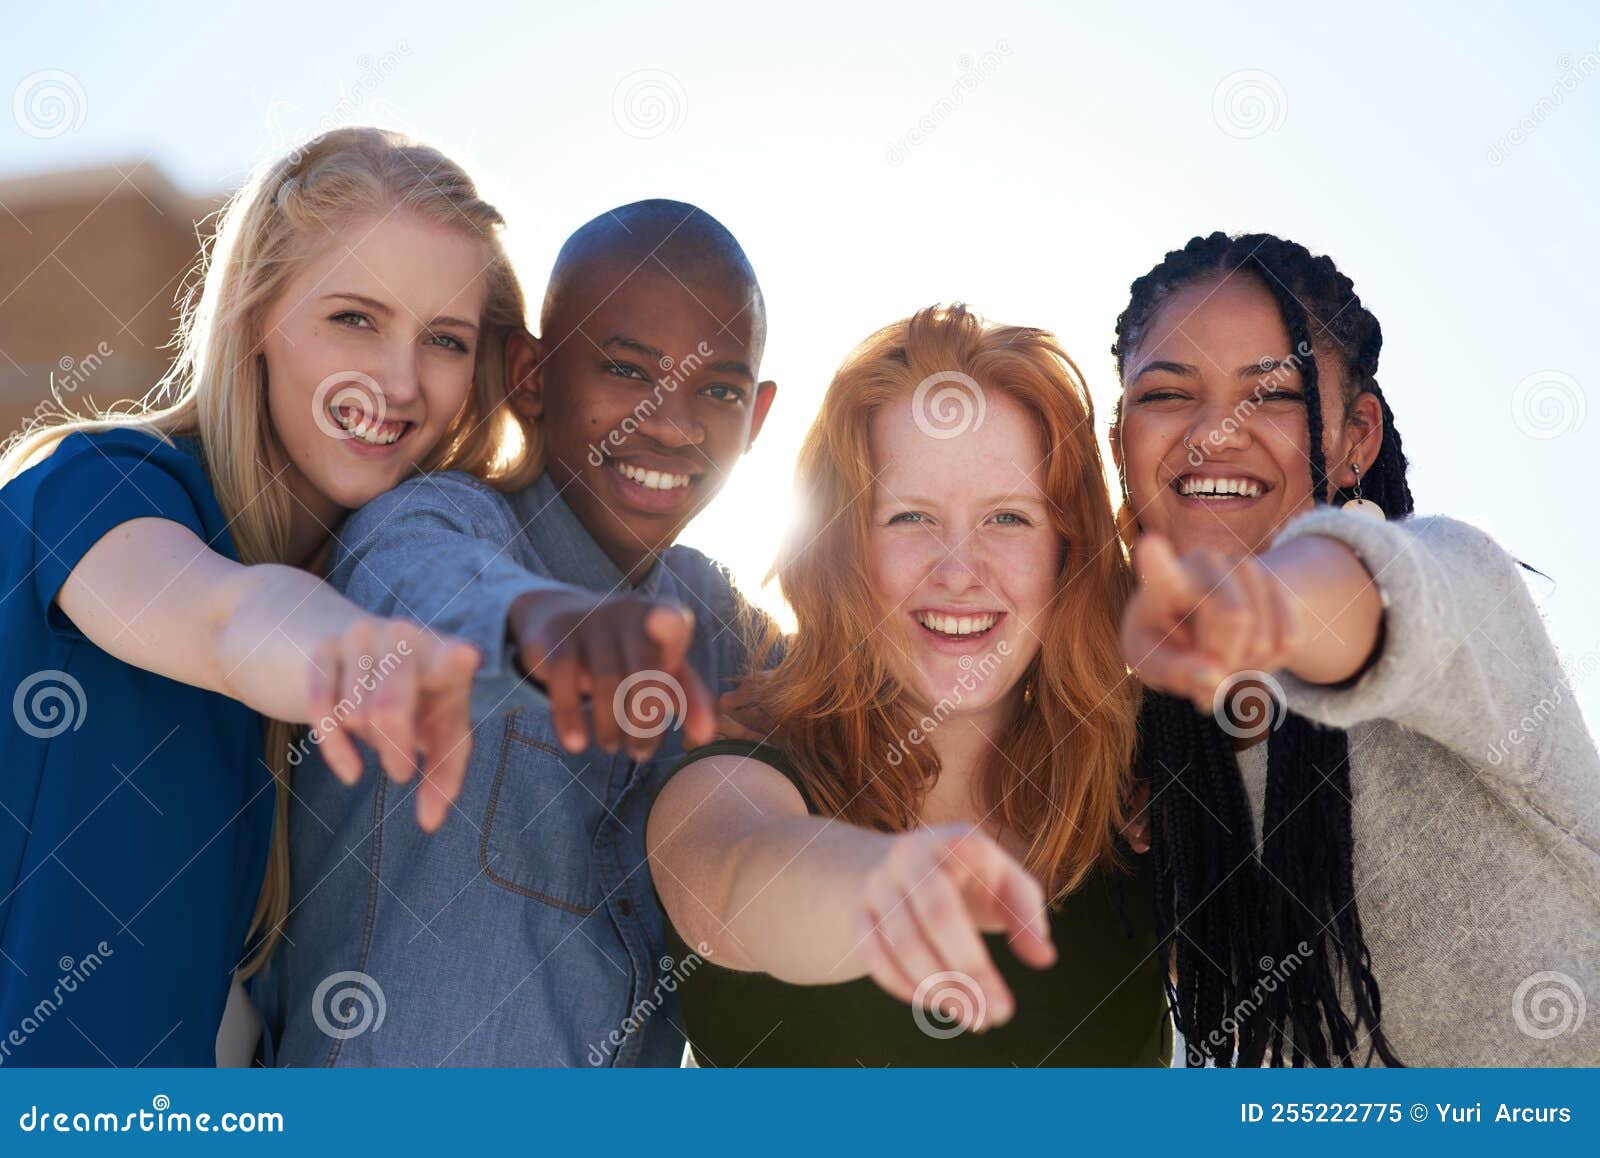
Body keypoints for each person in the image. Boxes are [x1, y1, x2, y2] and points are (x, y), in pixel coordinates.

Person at [0, 127, 520, 1066]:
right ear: (253, 318)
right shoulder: (107, 487)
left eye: (444, 339)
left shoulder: (374, 575)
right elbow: (221, 616)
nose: (398, 380)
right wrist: (349, 657)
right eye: (354, 318)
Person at [260, 200, 779, 1066]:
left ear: (758, 418)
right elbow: (417, 581)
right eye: (625, 369)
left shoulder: (720, 625)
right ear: (532, 375)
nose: (675, 423)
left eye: (718, 390)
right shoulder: (445, 520)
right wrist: (536, 622)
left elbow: (856, 694)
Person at [1110, 230, 1600, 1065]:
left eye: (1269, 394)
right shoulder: (1140, 739)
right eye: (1166, 394)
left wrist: (1258, 603)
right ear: (1120, 439)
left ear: (1356, 437)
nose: (1213, 433)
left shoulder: (1459, 585)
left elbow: (1372, 598)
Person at [647, 305, 1171, 1066]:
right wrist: (878, 888)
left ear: (1068, 554)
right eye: (910, 516)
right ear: (842, 548)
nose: (958, 571)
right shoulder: (741, 775)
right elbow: (734, 886)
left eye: (1008, 519)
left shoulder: (1146, 802)